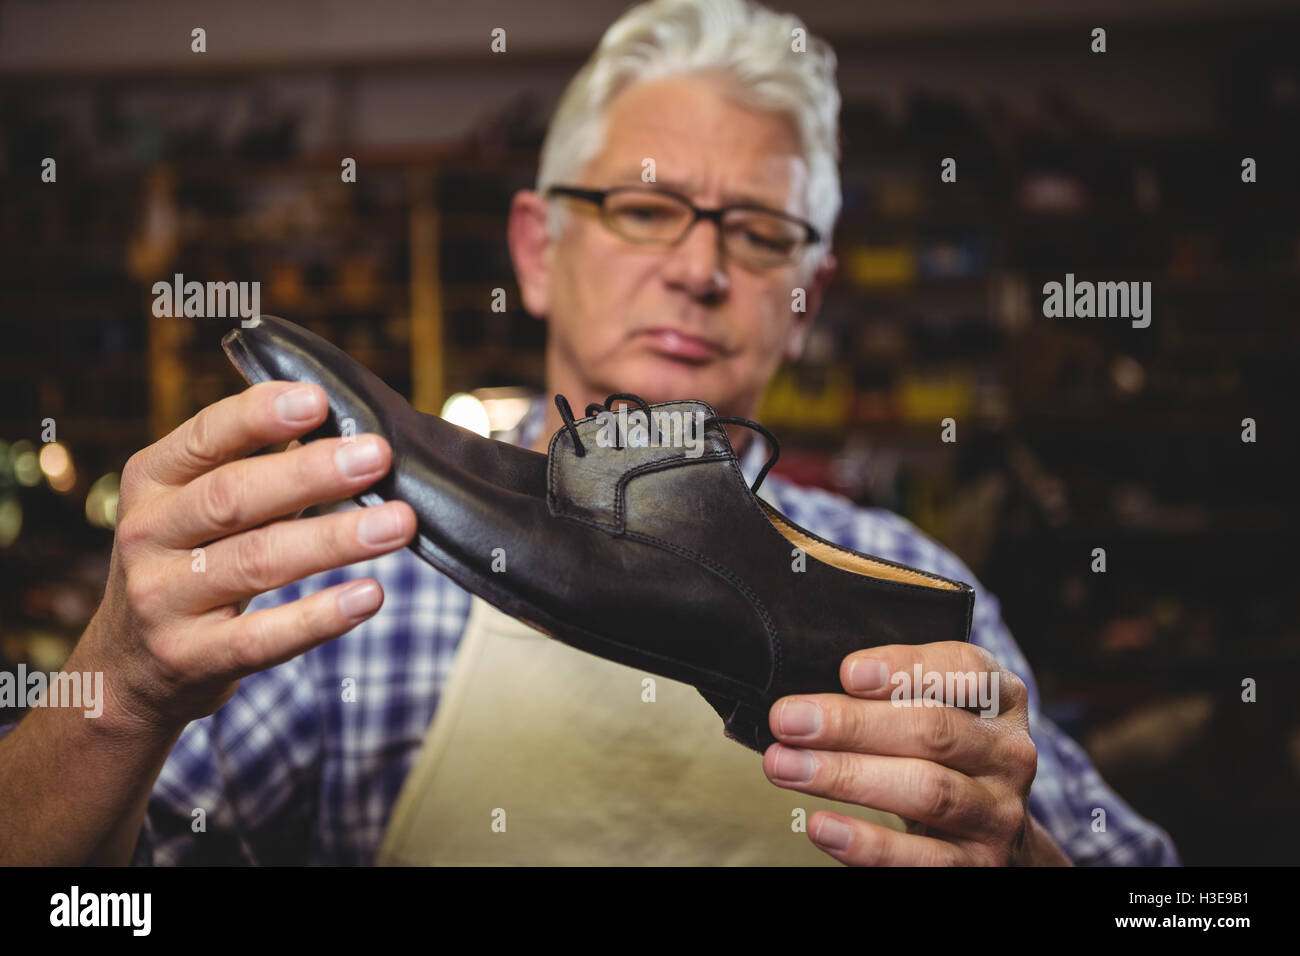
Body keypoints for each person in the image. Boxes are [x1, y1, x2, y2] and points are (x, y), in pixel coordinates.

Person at [0, 0, 1178, 866]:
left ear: (806, 297)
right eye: (645, 207)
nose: (702, 267)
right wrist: (114, 687)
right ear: (535, 250)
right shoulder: (350, 581)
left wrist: (1024, 855)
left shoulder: (921, 599)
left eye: (760, 234)